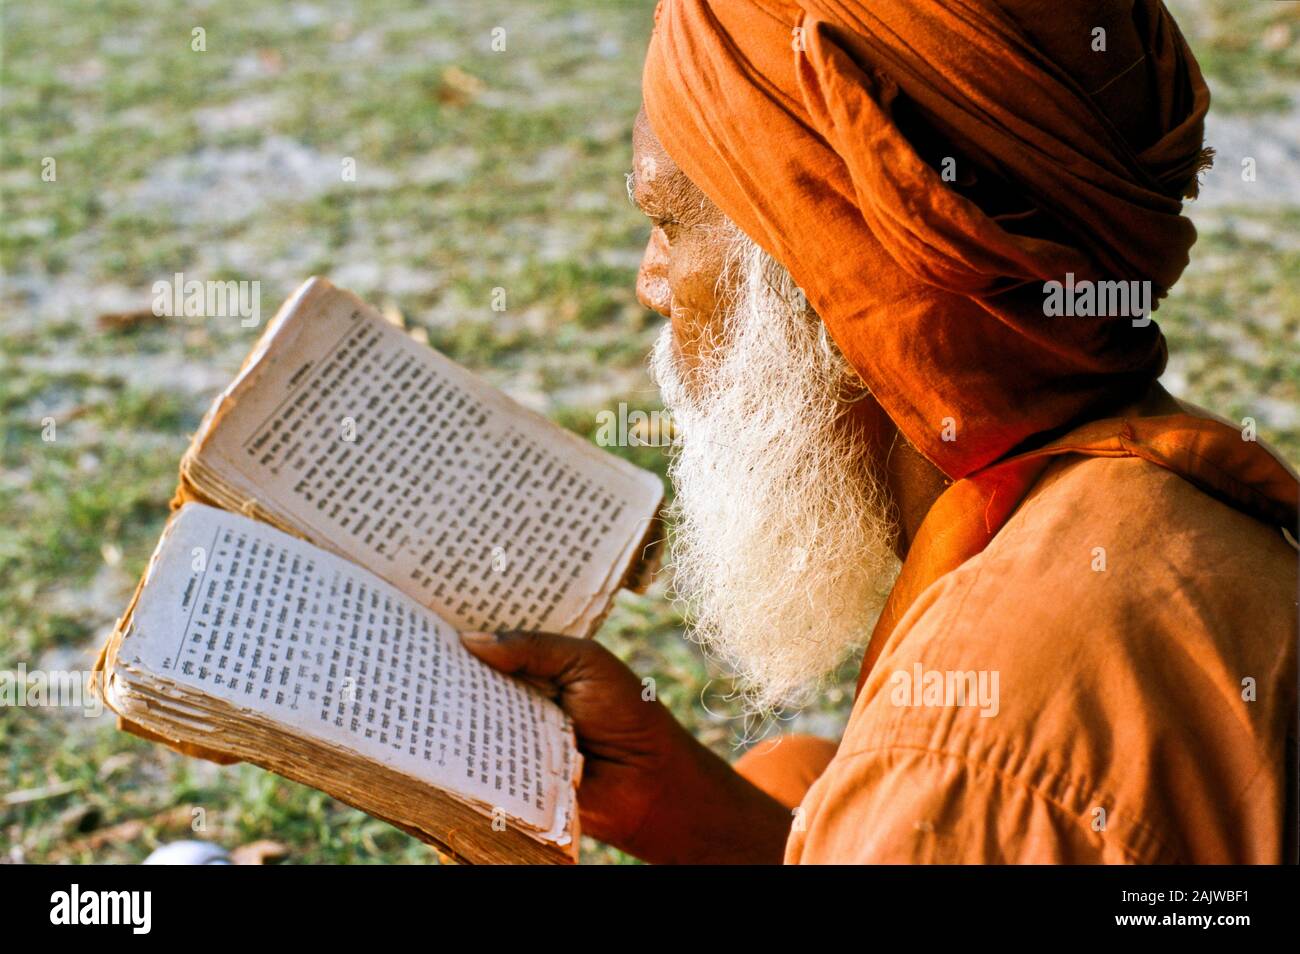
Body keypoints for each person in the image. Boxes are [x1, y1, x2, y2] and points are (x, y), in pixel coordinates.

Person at [461, 0, 1299, 863]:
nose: (651, 283)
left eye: (669, 225)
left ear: (829, 269)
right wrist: (664, 803)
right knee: (795, 771)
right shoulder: (1160, 488)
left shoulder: (954, 766)